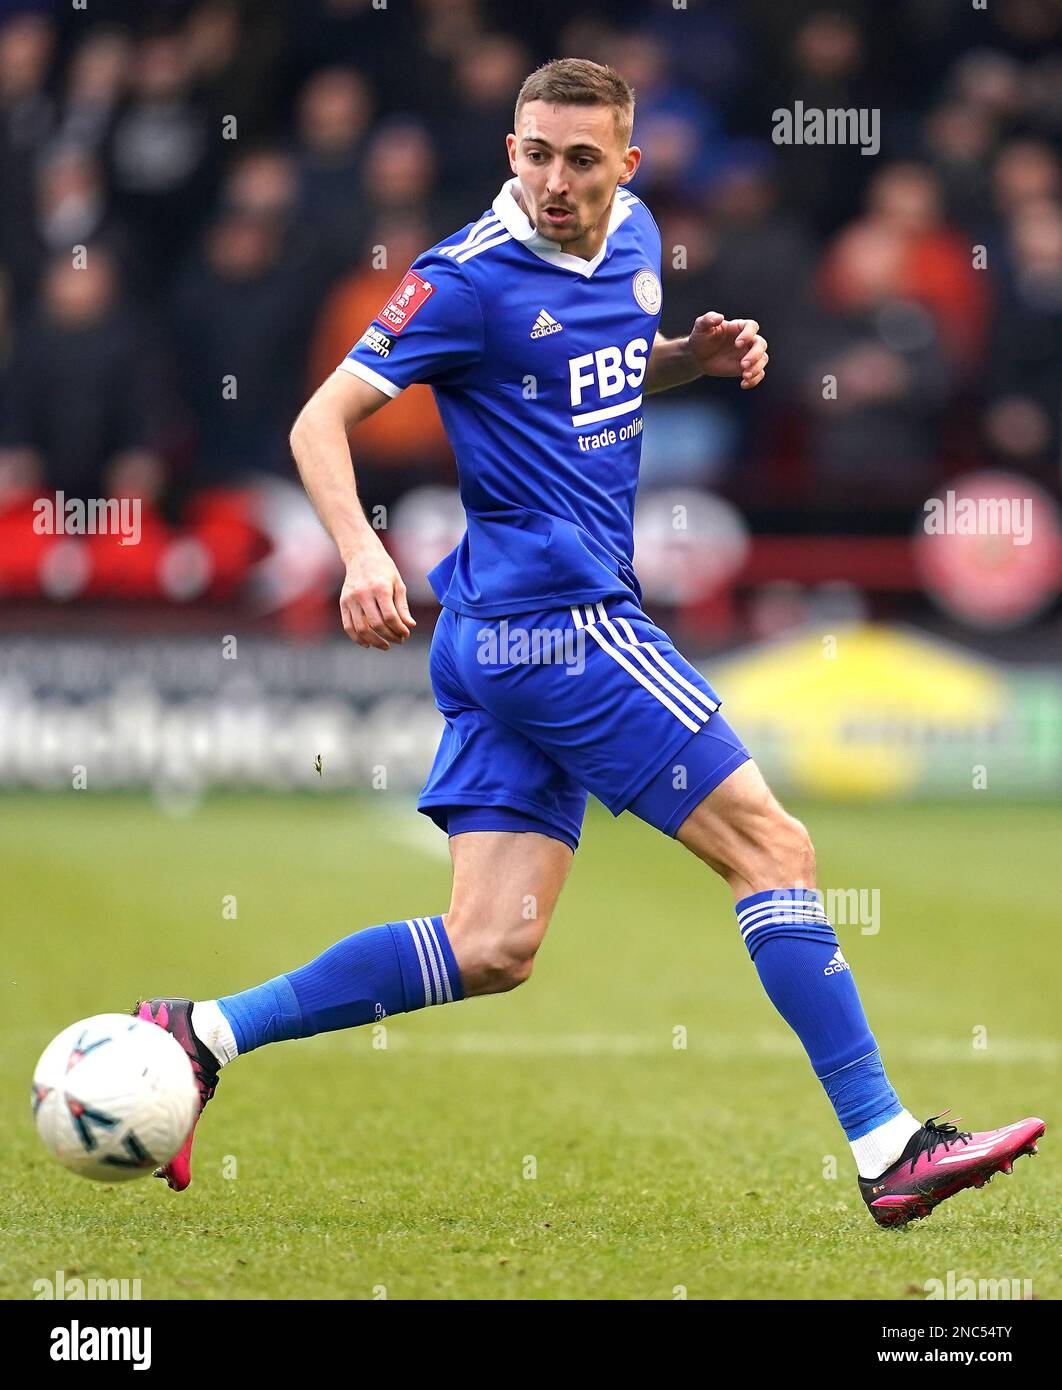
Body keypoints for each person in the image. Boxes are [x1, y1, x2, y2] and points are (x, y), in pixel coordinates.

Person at [137, 59, 1043, 1226]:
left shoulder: (635, 241)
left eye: (579, 159)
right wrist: (363, 554)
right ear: (509, 149)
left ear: (629, 164)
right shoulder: (462, 279)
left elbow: (584, 383)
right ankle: (887, 1143)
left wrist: (691, 364)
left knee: (489, 944)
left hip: (495, 640)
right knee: (774, 846)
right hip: (557, 625)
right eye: (533, 153)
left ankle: (201, 1032)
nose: (553, 182)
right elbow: (321, 419)